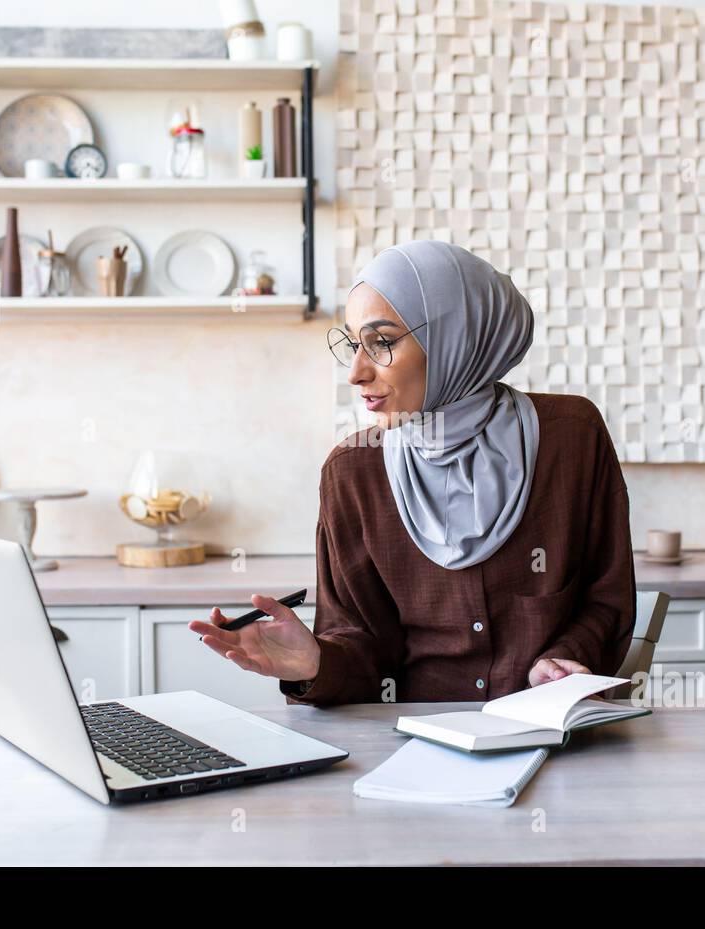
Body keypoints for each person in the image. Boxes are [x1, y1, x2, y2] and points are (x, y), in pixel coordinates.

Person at [188, 240, 636, 705]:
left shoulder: (572, 437)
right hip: (409, 745)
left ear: (456, 337)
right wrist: (315, 663)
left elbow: (605, 600)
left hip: (554, 737)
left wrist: (566, 656)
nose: (356, 373)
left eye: (381, 343)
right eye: (353, 345)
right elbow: (361, 644)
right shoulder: (352, 472)